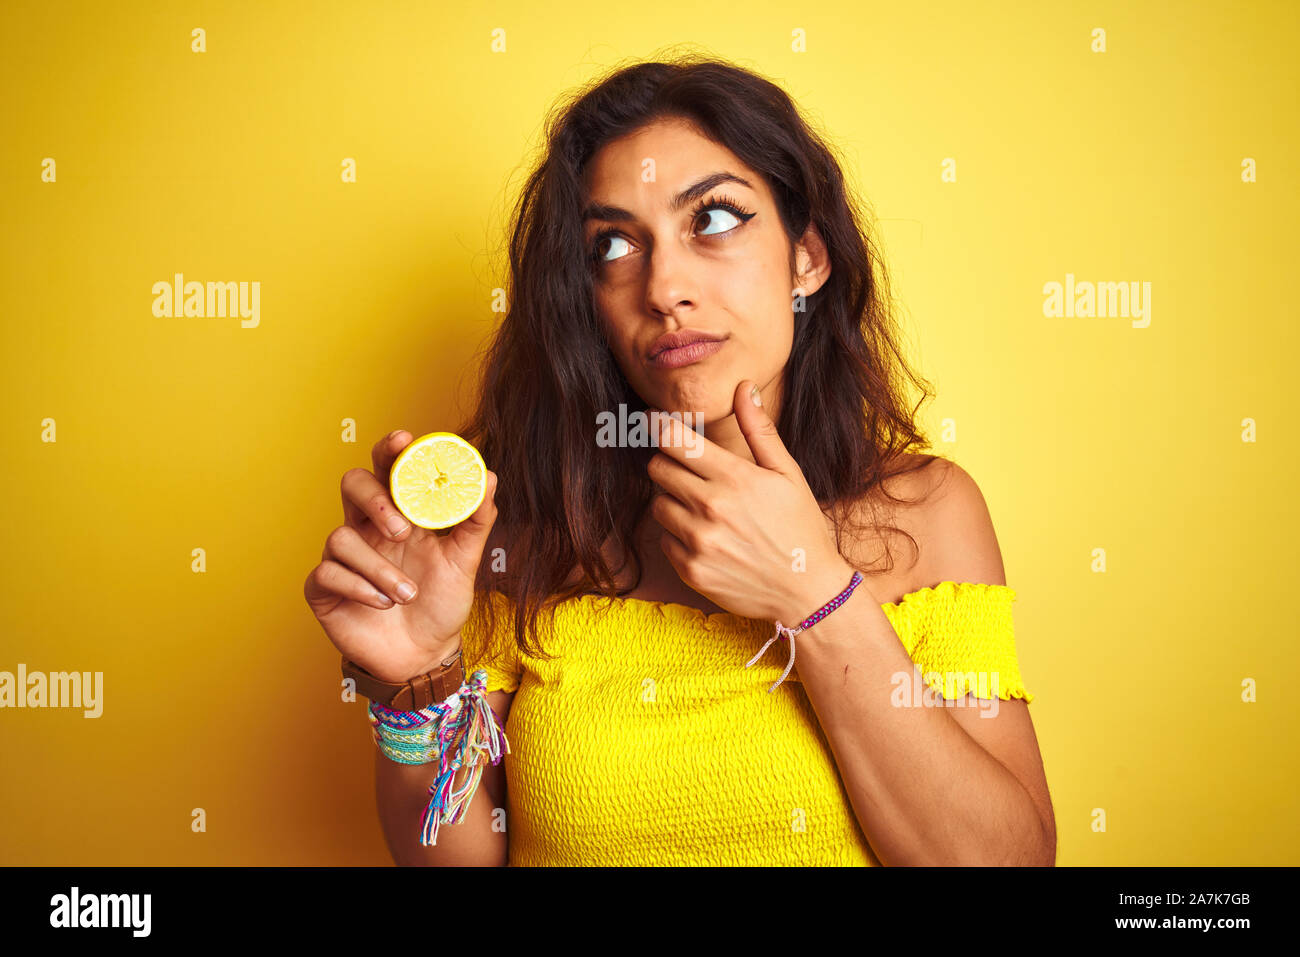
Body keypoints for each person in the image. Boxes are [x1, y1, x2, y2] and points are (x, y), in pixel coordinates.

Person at [304, 53, 1055, 867]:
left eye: (717, 219)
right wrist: (418, 681)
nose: (664, 286)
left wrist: (813, 593)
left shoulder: (925, 513)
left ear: (808, 255)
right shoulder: (526, 527)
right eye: (615, 246)